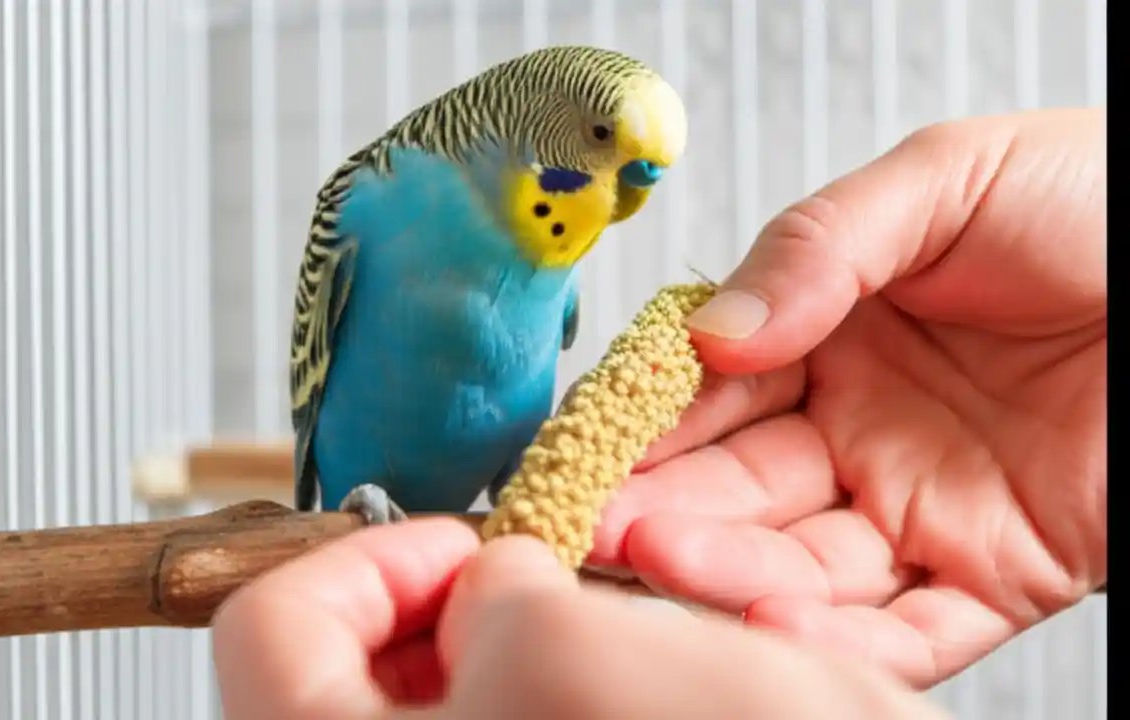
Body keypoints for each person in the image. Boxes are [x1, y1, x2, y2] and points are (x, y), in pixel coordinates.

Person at [212, 107, 1105, 719]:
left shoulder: (557, 264)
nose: (633, 181)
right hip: (362, 487)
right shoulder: (362, 206)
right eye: (604, 138)